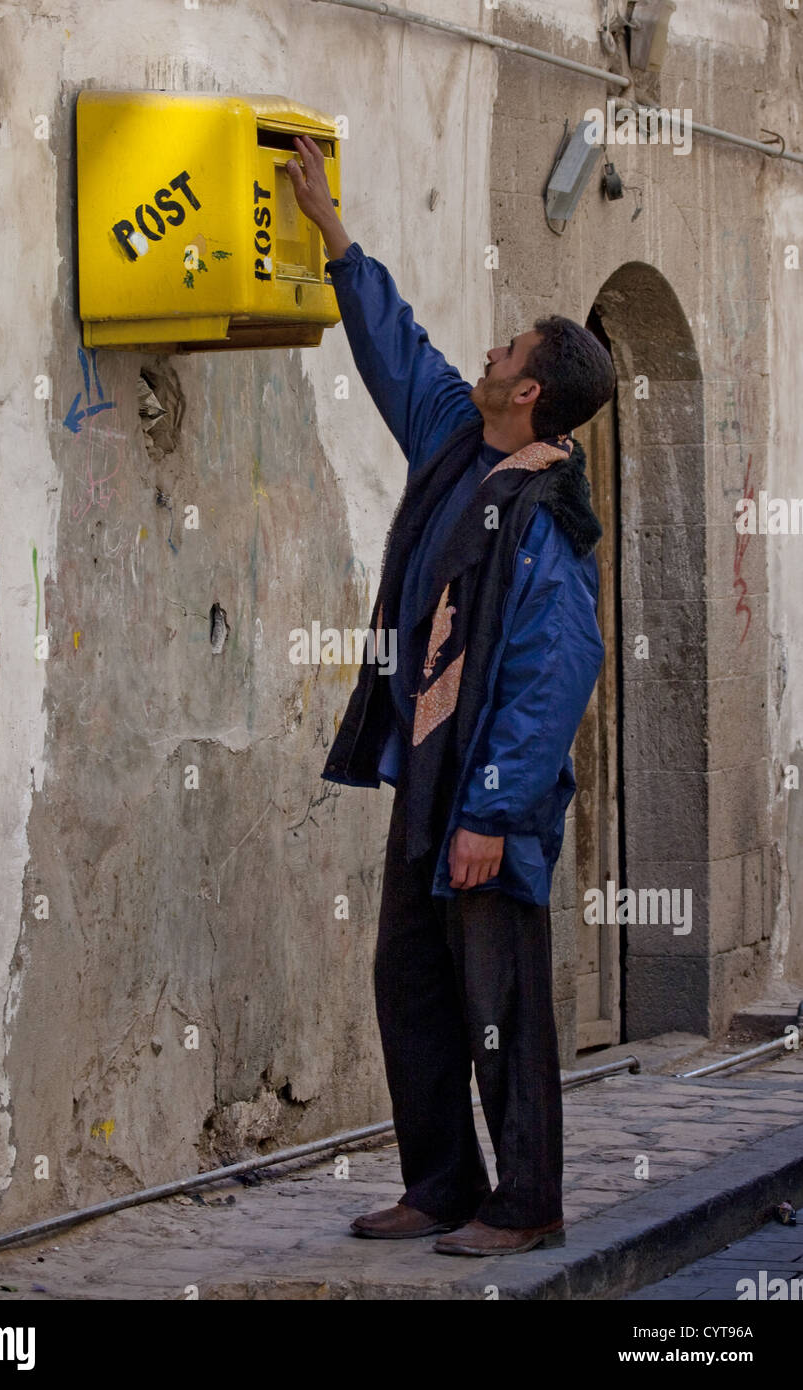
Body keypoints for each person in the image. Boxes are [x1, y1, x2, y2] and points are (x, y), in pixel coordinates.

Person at [286, 135, 615, 1257]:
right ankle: (438, 1184)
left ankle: (525, 1205)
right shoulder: (453, 441)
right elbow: (400, 351)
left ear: (529, 388)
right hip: (424, 777)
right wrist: (333, 233)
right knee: (411, 984)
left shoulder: (548, 522)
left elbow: (553, 678)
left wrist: (490, 811)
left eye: (505, 348)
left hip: (485, 804)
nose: (484, 350)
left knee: (499, 1010)